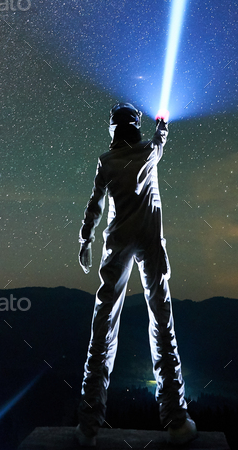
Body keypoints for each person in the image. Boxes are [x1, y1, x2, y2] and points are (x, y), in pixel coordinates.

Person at [76, 102, 197, 446]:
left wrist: (85, 237)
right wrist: (162, 124)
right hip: (150, 240)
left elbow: (94, 203)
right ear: (134, 126)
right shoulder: (149, 152)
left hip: (117, 243)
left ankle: (88, 424)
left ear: (113, 128)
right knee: (162, 323)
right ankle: (175, 416)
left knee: (103, 325)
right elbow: (161, 137)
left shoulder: (106, 161)